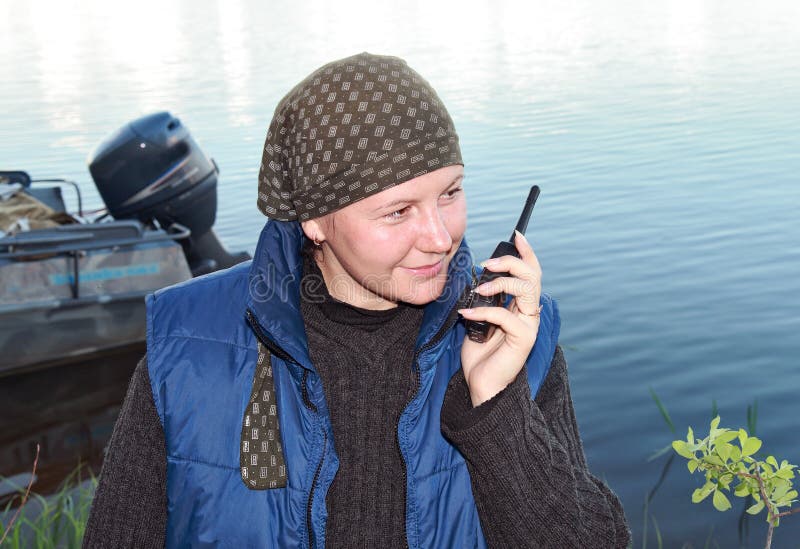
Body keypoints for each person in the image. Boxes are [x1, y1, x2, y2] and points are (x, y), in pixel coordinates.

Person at [84, 52, 630, 548]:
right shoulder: (188, 346)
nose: (442, 237)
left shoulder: (510, 335)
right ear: (315, 221)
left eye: (450, 193)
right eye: (399, 211)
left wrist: (496, 410)